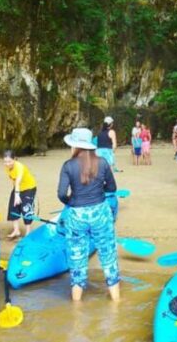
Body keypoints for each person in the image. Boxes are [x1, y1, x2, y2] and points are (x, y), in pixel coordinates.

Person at [58, 128, 120, 301]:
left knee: (77, 259)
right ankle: (116, 301)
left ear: (75, 146)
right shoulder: (102, 162)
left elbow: (61, 193)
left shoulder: (68, 166)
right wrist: (99, 190)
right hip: (100, 211)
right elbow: (112, 188)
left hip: (76, 214)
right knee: (108, 255)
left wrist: (72, 201)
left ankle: (76, 309)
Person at [4, 150, 37, 238]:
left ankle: (28, 231)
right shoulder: (7, 168)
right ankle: (16, 230)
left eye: (9, 161)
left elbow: (18, 181)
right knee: (13, 207)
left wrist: (17, 195)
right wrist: (16, 194)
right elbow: (14, 181)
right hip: (18, 188)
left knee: (26, 208)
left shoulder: (19, 167)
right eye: (5, 161)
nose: (7, 164)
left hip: (29, 188)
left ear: (14, 159)